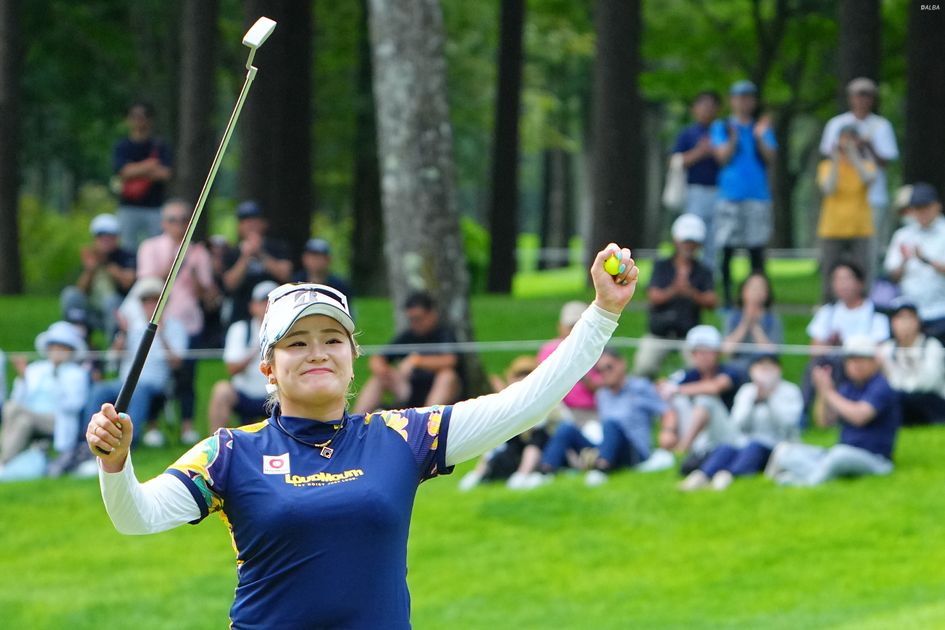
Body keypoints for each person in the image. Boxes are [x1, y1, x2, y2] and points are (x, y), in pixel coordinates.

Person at [86, 245, 640, 629]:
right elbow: (137, 516)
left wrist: (602, 313)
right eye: (297, 343)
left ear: (355, 358)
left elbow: (526, 403)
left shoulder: (401, 434)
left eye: (332, 338)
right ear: (268, 368)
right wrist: (117, 463)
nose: (318, 352)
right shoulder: (232, 450)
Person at [766, 335, 900, 486]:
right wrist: (823, 393)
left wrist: (830, 393)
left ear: (874, 361)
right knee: (788, 453)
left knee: (839, 455)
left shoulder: (880, 385)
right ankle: (819, 474)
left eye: (862, 359)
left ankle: (807, 482)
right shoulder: (848, 387)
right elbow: (824, 422)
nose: (856, 364)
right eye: (851, 359)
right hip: (841, 452)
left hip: (875, 459)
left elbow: (860, 416)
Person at [137, 199, 218, 445]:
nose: (179, 225)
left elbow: (209, 296)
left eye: (184, 220)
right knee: (151, 373)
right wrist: (173, 264)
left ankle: (187, 426)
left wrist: (193, 273)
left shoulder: (199, 252)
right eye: (173, 220)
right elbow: (147, 286)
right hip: (159, 320)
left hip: (188, 321)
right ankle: (152, 426)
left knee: (186, 377)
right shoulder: (150, 247)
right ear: (163, 223)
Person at [83, 278, 188, 447]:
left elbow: (177, 364)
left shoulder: (175, 328)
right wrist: (123, 333)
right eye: (146, 301)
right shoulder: (133, 328)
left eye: (155, 300)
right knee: (99, 390)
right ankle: (89, 439)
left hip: (156, 383)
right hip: (124, 382)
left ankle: (128, 441)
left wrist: (162, 335)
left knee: (137, 391)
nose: (150, 304)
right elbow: (112, 359)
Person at [679, 354, 802, 491]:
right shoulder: (747, 391)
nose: (765, 374)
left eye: (768, 369)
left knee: (754, 447)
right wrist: (754, 400)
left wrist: (769, 400)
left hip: (775, 445)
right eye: (760, 369)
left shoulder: (790, 391)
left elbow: (788, 425)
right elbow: (737, 424)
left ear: (778, 370)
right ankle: (702, 475)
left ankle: (728, 475)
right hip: (744, 442)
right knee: (725, 448)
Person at [710, 80, 777, 307]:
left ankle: (759, 298)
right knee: (727, 248)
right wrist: (734, 138)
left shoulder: (761, 127)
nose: (743, 102)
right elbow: (721, 158)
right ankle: (728, 298)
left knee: (756, 249)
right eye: (739, 97)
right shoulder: (722, 127)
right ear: (732, 100)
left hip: (758, 195)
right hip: (730, 194)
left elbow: (770, 159)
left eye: (748, 97)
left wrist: (758, 137)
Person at [457, 356, 568, 491]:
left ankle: (523, 474)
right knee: (497, 436)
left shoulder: (548, 397)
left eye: (527, 375)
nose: (523, 380)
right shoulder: (510, 400)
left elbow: (548, 426)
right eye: (519, 376)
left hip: (547, 446)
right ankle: (479, 473)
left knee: (535, 435)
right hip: (519, 446)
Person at [819, 78, 899, 264]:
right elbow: (829, 155)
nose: (862, 100)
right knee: (835, 255)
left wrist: (865, 145)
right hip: (840, 200)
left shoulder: (881, 125)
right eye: (858, 95)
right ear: (850, 98)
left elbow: (886, 161)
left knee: (868, 253)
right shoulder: (836, 123)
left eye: (867, 95)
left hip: (873, 197)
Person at [803, 261, 889, 426]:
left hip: (863, 364)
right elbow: (813, 350)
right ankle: (804, 415)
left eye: (847, 279)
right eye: (838, 279)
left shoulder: (876, 313)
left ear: (860, 283)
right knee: (814, 367)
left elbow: (879, 348)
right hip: (832, 363)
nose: (843, 284)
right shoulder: (827, 312)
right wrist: (830, 343)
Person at [634, 213, 717, 378]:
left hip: (689, 335)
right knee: (644, 368)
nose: (689, 246)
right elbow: (653, 296)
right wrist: (674, 290)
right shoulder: (661, 266)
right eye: (686, 242)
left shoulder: (704, 270)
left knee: (699, 370)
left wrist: (691, 293)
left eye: (693, 243)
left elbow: (712, 301)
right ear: (676, 241)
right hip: (659, 332)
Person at [1, 322, 89, 472]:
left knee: (13, 409)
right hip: (30, 416)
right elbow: (18, 399)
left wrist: (58, 376)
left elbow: (75, 404)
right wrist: (22, 378)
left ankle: (2, 462)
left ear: (70, 350)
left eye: (61, 347)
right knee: (22, 421)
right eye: (54, 347)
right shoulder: (36, 369)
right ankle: (4, 463)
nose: (56, 351)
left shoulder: (76, 374)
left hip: (57, 420)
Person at [581, 348, 677, 487]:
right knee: (567, 429)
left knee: (610, 424)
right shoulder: (602, 395)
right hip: (610, 447)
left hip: (635, 450)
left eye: (609, 367)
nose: (605, 373)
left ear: (622, 364)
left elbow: (667, 411)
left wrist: (668, 431)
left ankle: (601, 468)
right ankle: (545, 471)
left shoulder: (640, 387)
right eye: (599, 371)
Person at [353, 291, 462, 412]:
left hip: (438, 388)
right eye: (411, 319)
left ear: (431, 314)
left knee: (447, 376)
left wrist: (416, 361)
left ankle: (428, 420)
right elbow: (378, 358)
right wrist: (384, 371)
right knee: (378, 379)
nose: (415, 323)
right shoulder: (408, 335)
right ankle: (356, 420)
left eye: (419, 318)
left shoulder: (444, 333)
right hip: (410, 388)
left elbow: (450, 360)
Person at [659, 325, 741, 474]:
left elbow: (715, 387)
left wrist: (678, 389)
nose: (702, 356)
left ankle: (682, 450)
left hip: (727, 436)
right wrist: (668, 430)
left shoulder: (730, 371)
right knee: (676, 400)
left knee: (705, 399)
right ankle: (677, 448)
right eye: (698, 352)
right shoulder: (689, 375)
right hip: (700, 435)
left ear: (717, 353)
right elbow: (664, 390)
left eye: (707, 351)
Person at [816, 124, 878, 300]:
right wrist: (836, 159)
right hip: (832, 227)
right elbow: (829, 188)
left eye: (852, 138)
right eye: (845, 138)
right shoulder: (826, 166)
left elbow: (868, 179)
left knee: (861, 270)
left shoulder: (867, 165)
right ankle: (828, 304)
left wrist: (853, 155)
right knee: (829, 271)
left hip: (861, 228)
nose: (847, 143)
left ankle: (862, 304)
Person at [207, 281, 277, 434]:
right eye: (263, 302)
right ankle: (216, 444)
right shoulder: (239, 329)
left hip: (274, 394)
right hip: (244, 393)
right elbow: (232, 369)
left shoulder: (288, 332)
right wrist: (257, 349)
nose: (267, 307)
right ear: (252, 306)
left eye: (272, 302)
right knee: (221, 390)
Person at [883, 182, 945, 345]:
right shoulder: (903, 235)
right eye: (917, 208)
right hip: (909, 312)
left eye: (925, 207)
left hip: (940, 309)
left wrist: (926, 260)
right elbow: (893, 276)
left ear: (937, 206)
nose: (921, 212)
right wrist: (904, 261)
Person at [60, 213, 137, 341]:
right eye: (101, 236)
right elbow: (80, 291)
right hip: (92, 310)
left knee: (110, 301)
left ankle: (114, 349)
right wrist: (90, 269)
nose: (105, 240)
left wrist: (107, 263)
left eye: (110, 236)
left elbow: (128, 283)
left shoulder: (125, 256)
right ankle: (76, 341)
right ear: (95, 238)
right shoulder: (90, 256)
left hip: (119, 310)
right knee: (69, 294)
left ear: (117, 238)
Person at [112, 101, 173, 249]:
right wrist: (150, 165)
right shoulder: (122, 146)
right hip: (128, 207)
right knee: (127, 247)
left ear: (150, 119)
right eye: (134, 116)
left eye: (143, 116)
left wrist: (134, 171)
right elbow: (122, 172)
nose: (139, 120)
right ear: (128, 119)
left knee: (157, 247)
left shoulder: (160, 145)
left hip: (155, 207)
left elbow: (165, 174)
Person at [671, 90, 722, 268]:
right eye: (703, 105)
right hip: (695, 190)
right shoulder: (688, 133)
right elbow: (677, 161)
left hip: (720, 191)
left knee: (715, 238)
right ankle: (687, 275)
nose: (707, 110)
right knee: (692, 233)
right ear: (694, 109)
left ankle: (709, 277)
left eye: (711, 106)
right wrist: (700, 152)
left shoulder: (722, 132)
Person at [222, 200, 293, 323]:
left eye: (254, 219)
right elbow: (229, 284)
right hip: (242, 318)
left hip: (276, 315)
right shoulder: (231, 253)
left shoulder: (277, 247)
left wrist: (260, 253)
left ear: (263, 223)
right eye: (245, 220)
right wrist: (245, 257)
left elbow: (286, 274)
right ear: (239, 226)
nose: (250, 224)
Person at [878, 299, 945, 425]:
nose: (904, 324)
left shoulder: (931, 345)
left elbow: (929, 383)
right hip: (900, 401)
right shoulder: (886, 349)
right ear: (892, 323)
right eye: (899, 318)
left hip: (930, 401)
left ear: (918, 321)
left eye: (909, 318)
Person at [537, 301, 601, 425]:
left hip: (590, 412)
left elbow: (601, 386)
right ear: (560, 326)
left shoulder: (595, 350)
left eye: (579, 326)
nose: (575, 331)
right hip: (558, 411)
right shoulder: (550, 349)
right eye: (571, 326)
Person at [722, 272, 782, 376]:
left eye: (760, 288)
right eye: (752, 287)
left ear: (767, 294)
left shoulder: (772, 319)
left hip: (763, 369)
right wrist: (745, 323)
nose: (756, 292)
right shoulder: (733, 317)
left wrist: (754, 326)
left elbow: (772, 353)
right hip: (735, 369)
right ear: (743, 291)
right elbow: (727, 350)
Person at [291, 238, 354, 305]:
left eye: (318, 257)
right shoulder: (294, 284)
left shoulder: (339, 286)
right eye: (312, 257)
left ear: (328, 259)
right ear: (304, 258)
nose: (315, 261)